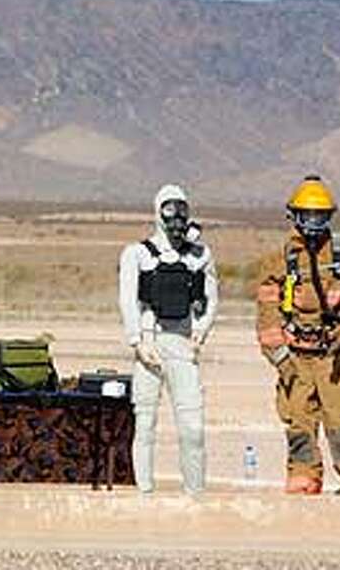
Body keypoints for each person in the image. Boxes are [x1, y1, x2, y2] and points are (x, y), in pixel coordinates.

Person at [255, 174, 340, 495]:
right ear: (294, 215)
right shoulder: (278, 259)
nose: (314, 222)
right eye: (308, 215)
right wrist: (281, 360)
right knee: (299, 426)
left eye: (321, 216)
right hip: (295, 357)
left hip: (333, 357)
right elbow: (267, 315)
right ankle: (303, 479)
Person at [117, 184, 218, 494]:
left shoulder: (199, 255)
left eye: (181, 210)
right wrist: (137, 341)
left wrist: (201, 332)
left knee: (192, 428)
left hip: (183, 343)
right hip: (150, 342)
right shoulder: (137, 254)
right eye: (169, 210)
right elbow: (127, 299)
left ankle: (194, 493)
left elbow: (210, 295)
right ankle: (144, 491)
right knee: (145, 424)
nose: (176, 218)